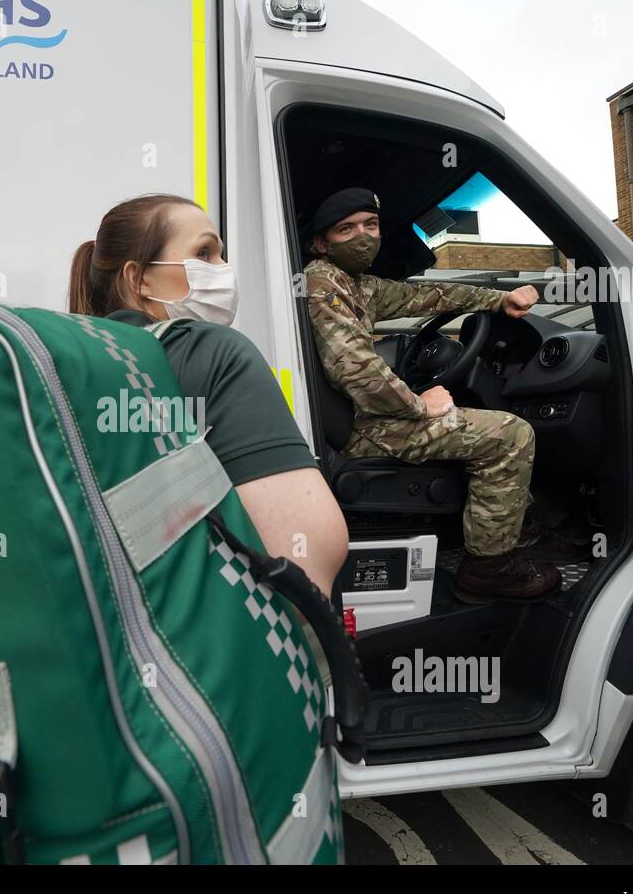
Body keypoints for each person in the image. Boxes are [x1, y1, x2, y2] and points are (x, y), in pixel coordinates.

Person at [68, 193, 348, 598]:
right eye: (204, 253)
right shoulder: (213, 351)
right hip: (214, 644)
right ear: (139, 279)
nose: (224, 269)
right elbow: (301, 570)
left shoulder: (75, 362)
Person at [302, 187, 559, 604]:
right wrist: (421, 406)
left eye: (370, 225)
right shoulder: (322, 283)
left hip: (360, 418)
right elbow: (358, 370)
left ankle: (518, 525)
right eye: (346, 229)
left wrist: (498, 299)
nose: (363, 236)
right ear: (321, 242)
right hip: (360, 430)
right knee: (511, 435)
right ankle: (488, 570)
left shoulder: (356, 285)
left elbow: (428, 296)